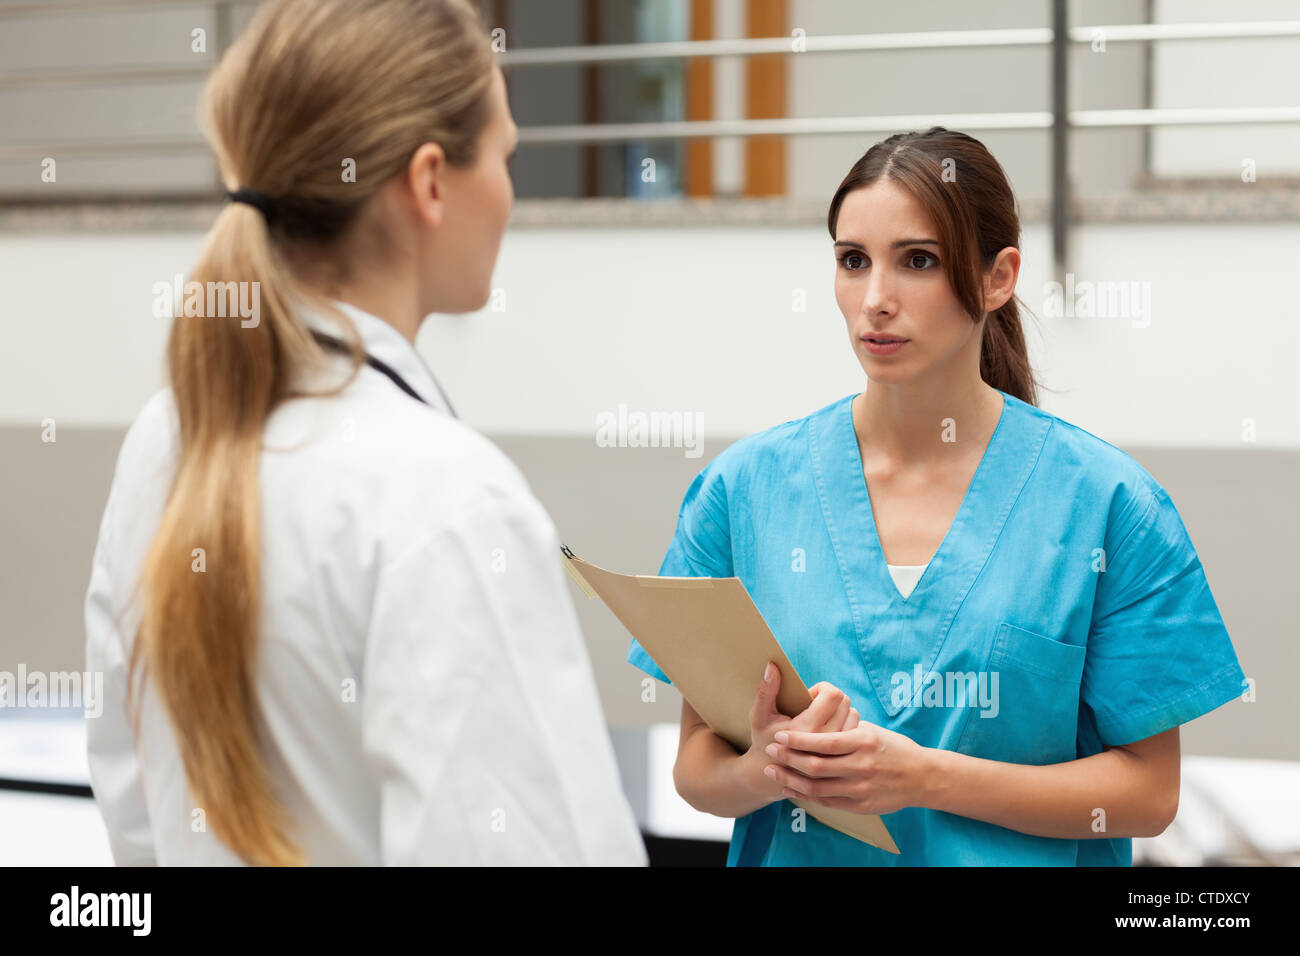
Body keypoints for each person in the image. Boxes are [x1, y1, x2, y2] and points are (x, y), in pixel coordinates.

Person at [84, 0, 646, 866]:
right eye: (503, 155)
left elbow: (133, 812)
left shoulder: (165, 440)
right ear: (429, 181)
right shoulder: (445, 497)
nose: (506, 192)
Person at [627, 127, 1245, 866]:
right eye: (852, 261)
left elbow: (1148, 795)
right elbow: (697, 774)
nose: (876, 300)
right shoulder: (741, 493)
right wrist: (765, 767)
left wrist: (923, 779)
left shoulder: (1108, 507)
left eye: (917, 261)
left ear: (998, 277)